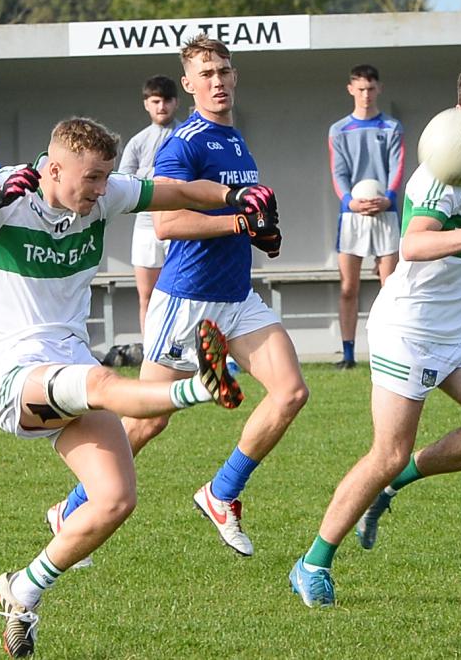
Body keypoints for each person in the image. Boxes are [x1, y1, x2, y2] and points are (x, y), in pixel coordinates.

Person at [0, 116, 275, 657]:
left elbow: (174, 191)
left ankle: (23, 589)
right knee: (105, 382)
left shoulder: (102, 197)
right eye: (93, 179)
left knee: (115, 499)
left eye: (107, 178)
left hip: (68, 361)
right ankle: (202, 386)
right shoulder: (7, 189)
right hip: (11, 372)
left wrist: (235, 193)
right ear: (54, 169)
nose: (103, 189)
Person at [49, 35, 306, 559]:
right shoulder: (183, 142)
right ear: (189, 85)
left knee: (290, 393)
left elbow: (242, 219)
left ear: (235, 78)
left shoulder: (237, 141)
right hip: (188, 298)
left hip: (236, 297)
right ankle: (72, 508)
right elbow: (167, 222)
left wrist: (260, 233)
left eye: (224, 71)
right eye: (206, 74)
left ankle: (222, 493)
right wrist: (238, 219)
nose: (218, 81)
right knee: (148, 420)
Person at [288, 61, 461, 608]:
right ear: (460, 108)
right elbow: (413, 245)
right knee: (386, 452)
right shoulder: (438, 168)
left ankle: (397, 485)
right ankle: (313, 562)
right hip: (410, 329)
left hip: (459, 331)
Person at [327, 64, 405, 369]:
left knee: (391, 288)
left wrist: (389, 198)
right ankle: (348, 354)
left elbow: (396, 167)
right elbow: (338, 171)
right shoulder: (338, 129)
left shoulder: (392, 127)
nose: (366, 95)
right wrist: (349, 200)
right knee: (349, 287)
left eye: (371, 89)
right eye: (360, 89)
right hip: (352, 214)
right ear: (350, 89)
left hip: (386, 211)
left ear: (379, 89)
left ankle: (392, 352)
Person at [120, 75, 181, 335]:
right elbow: (122, 182)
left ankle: (189, 353)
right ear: (146, 103)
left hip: (180, 225)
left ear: (176, 102)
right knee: (147, 296)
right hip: (146, 228)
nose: (161, 107)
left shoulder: (187, 135)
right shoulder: (137, 141)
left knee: (186, 293)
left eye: (166, 101)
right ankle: (151, 353)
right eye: (155, 101)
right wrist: (156, 175)